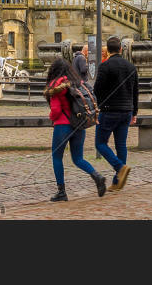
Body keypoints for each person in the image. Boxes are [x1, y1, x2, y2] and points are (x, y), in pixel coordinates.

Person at [44, 58, 107, 202]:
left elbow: (56, 110)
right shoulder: (77, 82)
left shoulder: (55, 85)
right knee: (78, 158)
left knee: (57, 157)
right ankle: (97, 176)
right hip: (79, 124)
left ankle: (61, 192)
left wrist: (51, 118)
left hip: (62, 126)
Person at [93, 36, 139, 191]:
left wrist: (99, 106)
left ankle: (120, 167)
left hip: (109, 110)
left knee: (100, 143)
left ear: (107, 50)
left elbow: (97, 90)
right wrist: (134, 112)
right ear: (120, 49)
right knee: (121, 145)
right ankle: (117, 182)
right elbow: (135, 92)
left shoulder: (105, 66)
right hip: (126, 111)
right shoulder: (131, 67)